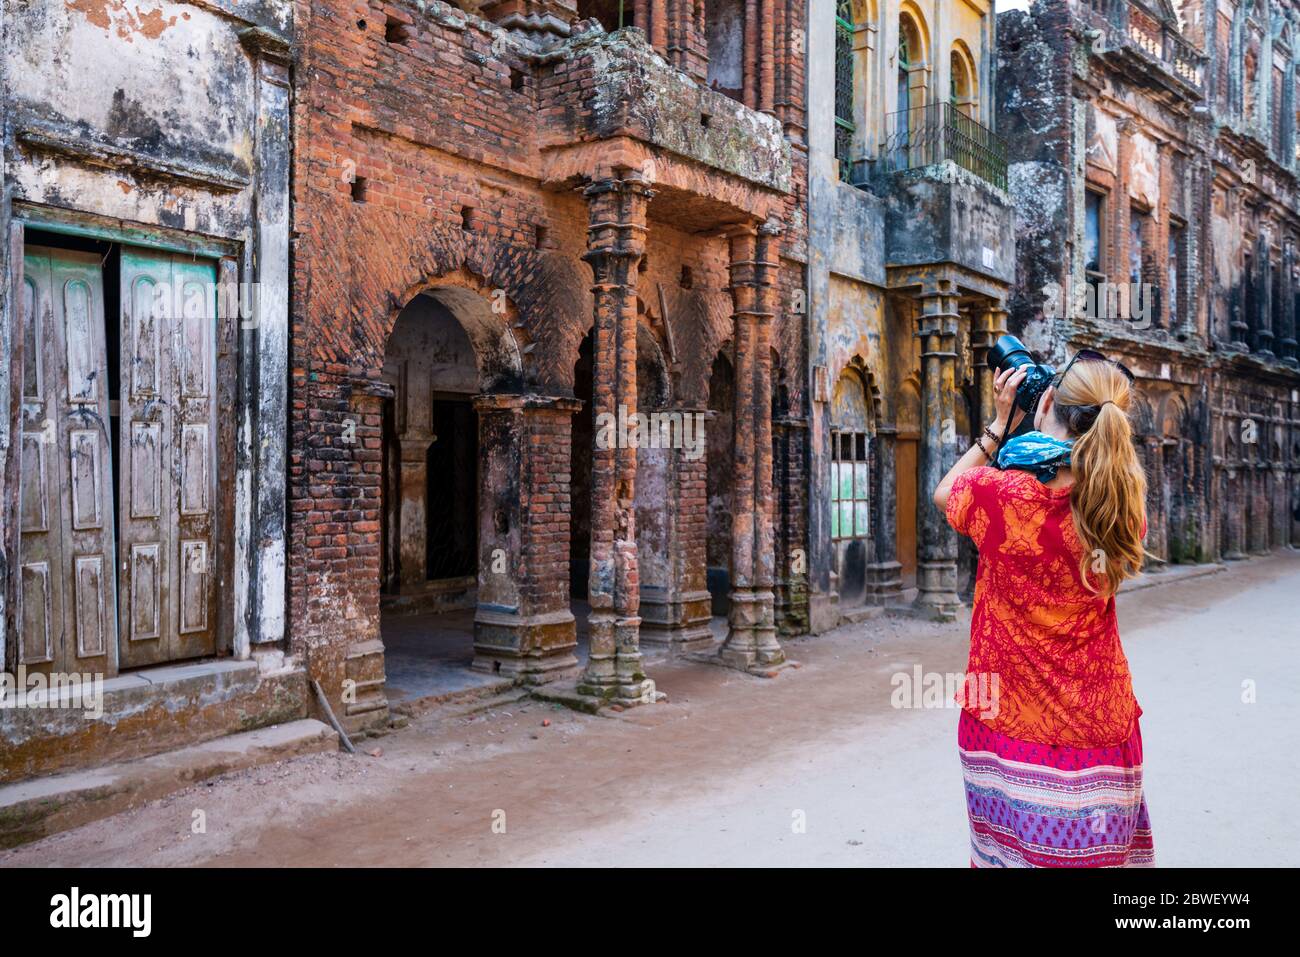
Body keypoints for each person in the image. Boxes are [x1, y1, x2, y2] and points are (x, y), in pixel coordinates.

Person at [932, 350, 1154, 868]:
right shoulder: (1120, 505)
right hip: (1101, 725)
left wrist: (998, 426)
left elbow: (944, 494)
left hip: (1005, 718)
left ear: (1047, 400)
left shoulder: (999, 494)